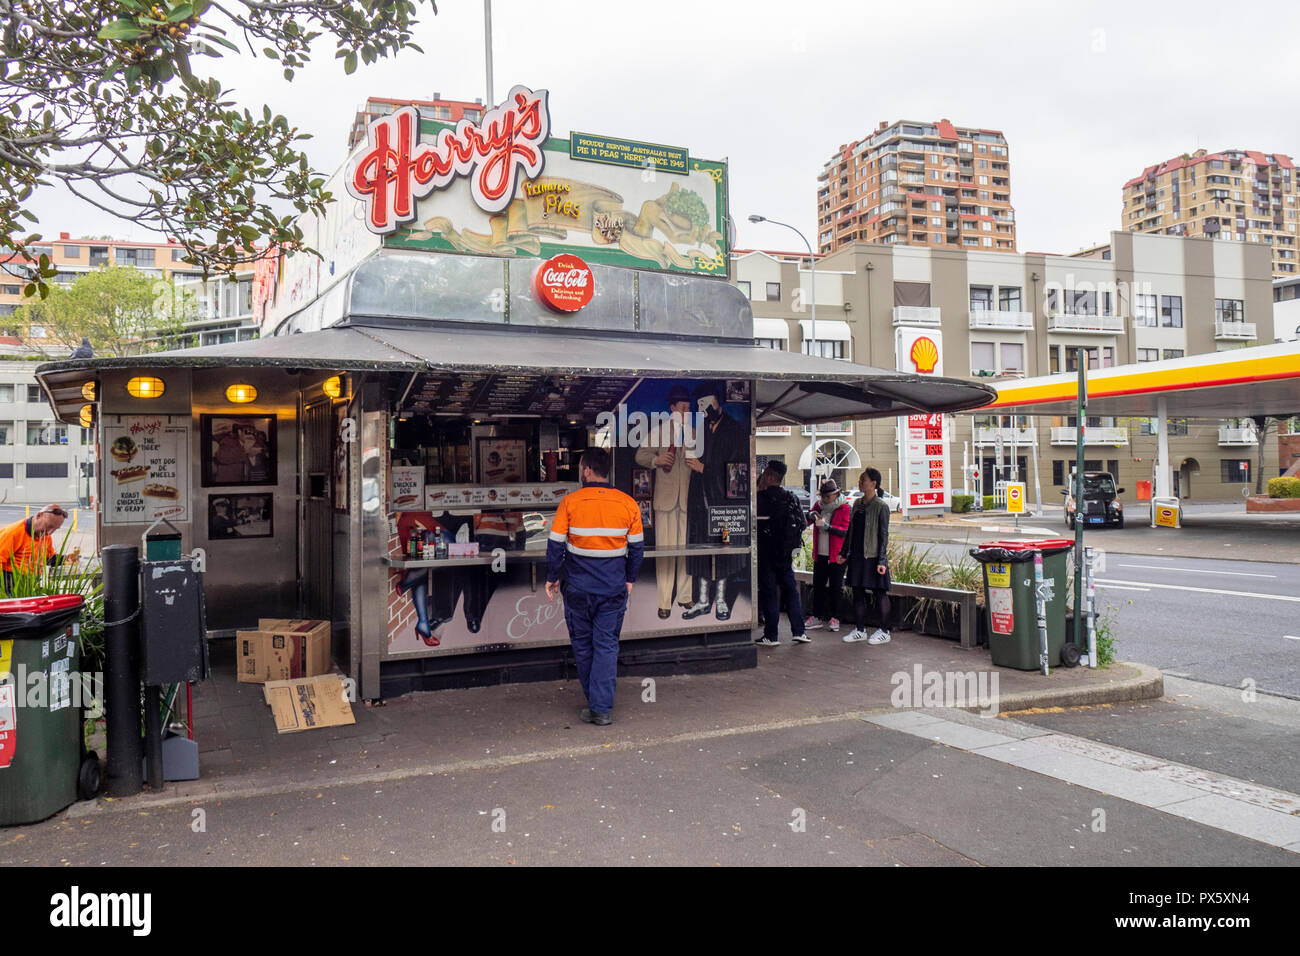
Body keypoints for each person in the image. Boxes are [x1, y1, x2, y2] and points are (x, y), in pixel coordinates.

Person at [546, 448, 644, 725]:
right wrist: (629, 579)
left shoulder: (570, 502)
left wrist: (552, 577)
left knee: (583, 644)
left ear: (587, 470)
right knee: (606, 645)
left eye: (580, 467)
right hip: (613, 589)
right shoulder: (628, 504)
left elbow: (555, 546)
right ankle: (600, 707)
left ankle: (597, 704)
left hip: (577, 588)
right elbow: (637, 550)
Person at [683, 381, 749, 621]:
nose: (701, 408)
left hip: (724, 507)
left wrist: (704, 469)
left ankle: (720, 601)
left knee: (723, 552)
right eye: (698, 404)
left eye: (704, 403)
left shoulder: (735, 431)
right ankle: (702, 601)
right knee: (699, 549)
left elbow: (738, 475)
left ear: (716, 401)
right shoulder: (700, 429)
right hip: (700, 503)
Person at [633, 384, 695, 619]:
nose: (686, 413)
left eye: (688, 409)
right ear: (672, 408)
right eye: (682, 408)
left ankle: (685, 597)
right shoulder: (659, 431)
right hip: (666, 499)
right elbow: (640, 455)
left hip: (687, 499)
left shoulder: (694, 434)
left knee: (685, 551)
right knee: (666, 552)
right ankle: (664, 602)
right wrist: (657, 460)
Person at [837, 468, 894, 644]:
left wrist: (882, 560)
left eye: (864, 480)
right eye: (861, 479)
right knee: (858, 592)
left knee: (880, 593)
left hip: (873, 556)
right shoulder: (857, 504)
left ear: (873, 484)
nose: (860, 482)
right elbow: (850, 531)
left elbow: (883, 535)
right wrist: (844, 552)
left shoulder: (881, 506)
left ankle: (884, 631)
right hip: (857, 556)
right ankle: (860, 629)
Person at [754, 461, 808, 647]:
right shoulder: (791, 498)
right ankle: (799, 631)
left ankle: (771, 635)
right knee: (791, 591)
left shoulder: (759, 499)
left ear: (769, 476)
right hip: (785, 553)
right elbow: (802, 523)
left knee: (769, 593)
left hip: (766, 553)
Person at [805, 478, 851, 633]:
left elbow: (845, 531)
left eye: (827, 497)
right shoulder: (819, 506)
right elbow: (808, 520)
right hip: (821, 553)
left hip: (836, 554)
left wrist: (828, 527)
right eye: (822, 496)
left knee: (836, 587)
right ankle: (817, 617)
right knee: (818, 586)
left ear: (836, 494)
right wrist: (811, 515)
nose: (824, 500)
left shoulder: (844, 508)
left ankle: (835, 618)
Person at [0, 505, 77, 594]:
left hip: (30, 582)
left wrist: (66, 558)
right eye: (49, 526)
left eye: (55, 529)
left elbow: (48, 559)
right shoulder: (13, 532)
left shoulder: (45, 535)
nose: (50, 532)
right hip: (10, 582)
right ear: (39, 516)